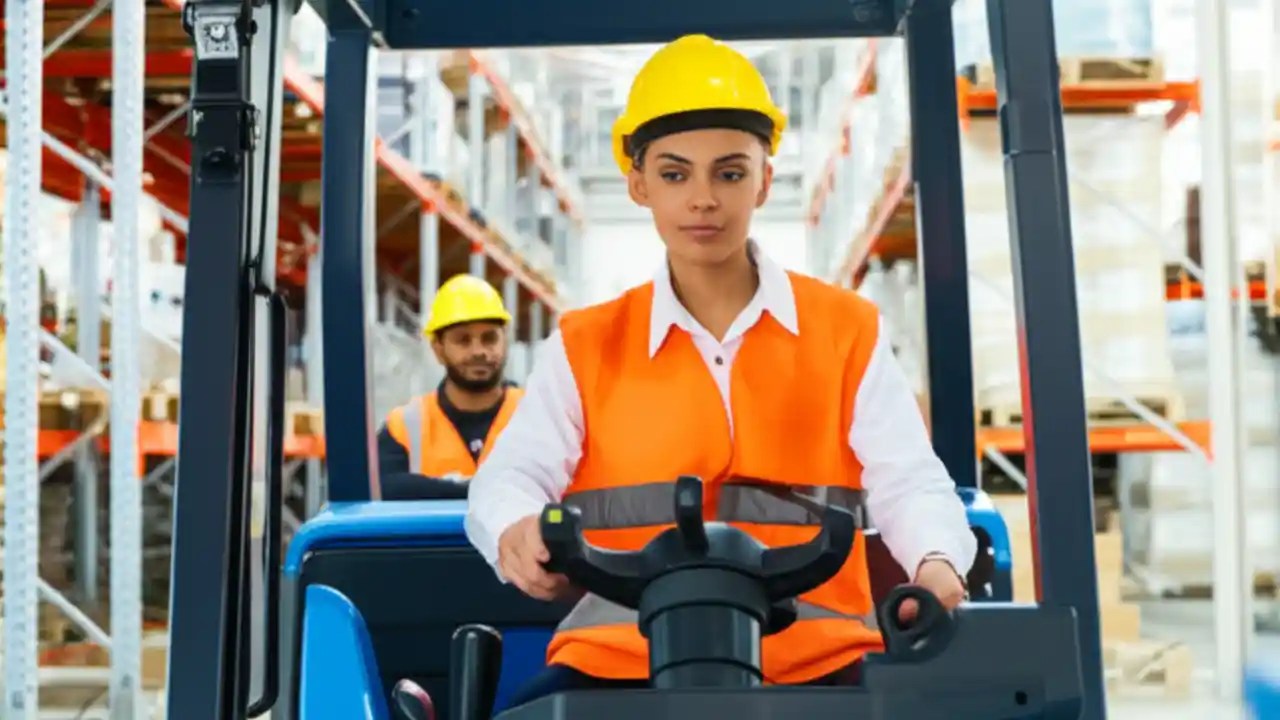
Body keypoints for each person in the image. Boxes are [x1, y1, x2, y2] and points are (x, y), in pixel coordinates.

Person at [464, 34, 976, 701]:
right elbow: (509, 477)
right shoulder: (585, 344)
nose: (703, 198)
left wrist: (938, 563)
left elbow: (908, 479)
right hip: (622, 656)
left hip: (815, 655)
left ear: (765, 179)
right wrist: (515, 528)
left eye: (729, 172)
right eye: (675, 173)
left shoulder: (845, 331)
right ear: (638, 183)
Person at [378, 274, 524, 500]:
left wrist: (441, 490)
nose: (478, 351)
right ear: (438, 348)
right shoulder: (406, 426)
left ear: (504, 341)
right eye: (463, 340)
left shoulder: (536, 414)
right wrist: (481, 492)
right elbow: (382, 487)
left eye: (489, 338)